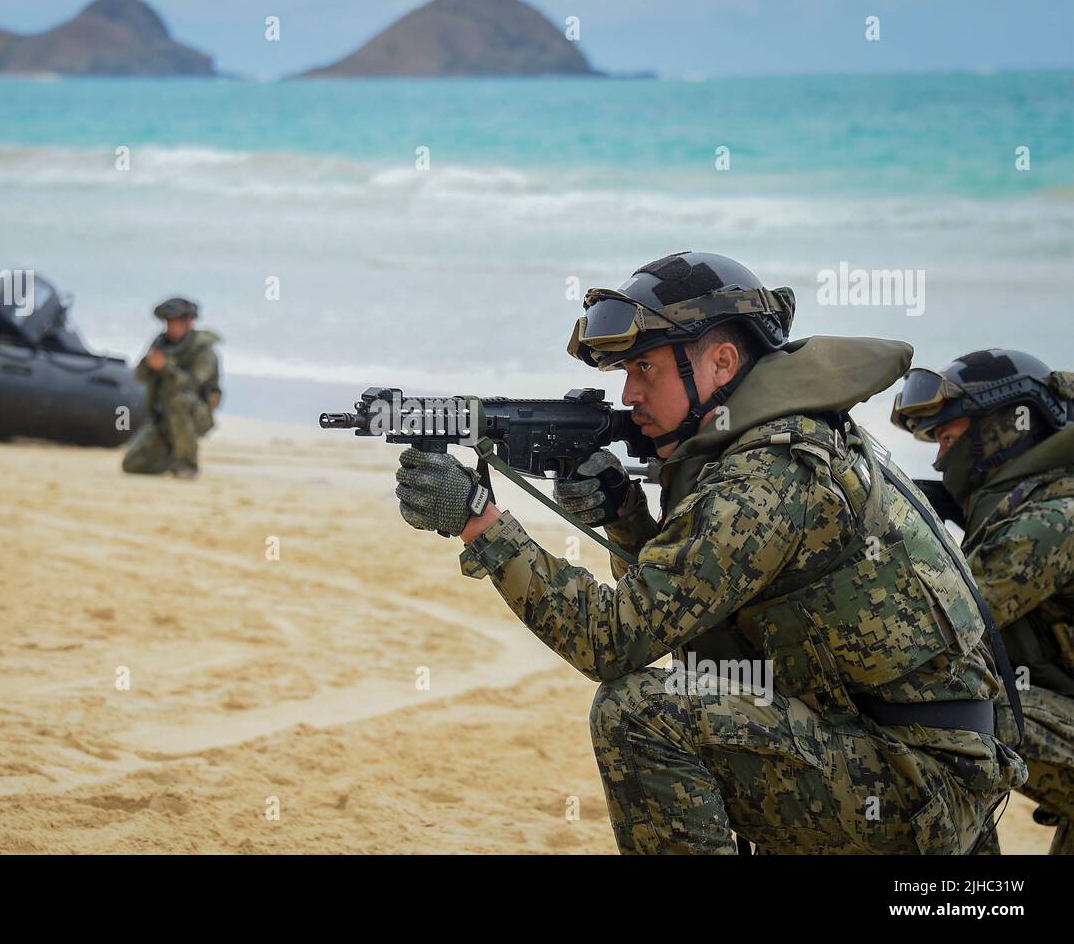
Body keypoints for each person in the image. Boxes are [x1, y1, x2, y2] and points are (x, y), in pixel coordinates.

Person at [393, 251, 1026, 854]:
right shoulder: (773, 440)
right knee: (701, 693)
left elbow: (613, 642)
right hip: (897, 747)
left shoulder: (766, 474)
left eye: (648, 369)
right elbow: (701, 616)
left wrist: (481, 524)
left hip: (919, 783)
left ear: (722, 362)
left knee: (640, 713)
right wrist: (622, 516)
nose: (629, 395)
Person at [892, 348, 1074, 854]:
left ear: (1009, 426)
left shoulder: (1051, 522)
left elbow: (938, 627)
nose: (938, 458)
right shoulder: (1033, 507)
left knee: (950, 708)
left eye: (948, 438)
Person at [122, 296, 222, 479]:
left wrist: (166, 367)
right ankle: (170, 456)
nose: (171, 327)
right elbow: (139, 376)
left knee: (180, 401)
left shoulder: (203, 350)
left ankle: (187, 465)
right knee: (131, 465)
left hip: (194, 415)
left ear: (189, 322)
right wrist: (149, 364)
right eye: (168, 323)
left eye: (175, 322)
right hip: (162, 416)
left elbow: (193, 383)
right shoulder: (161, 343)